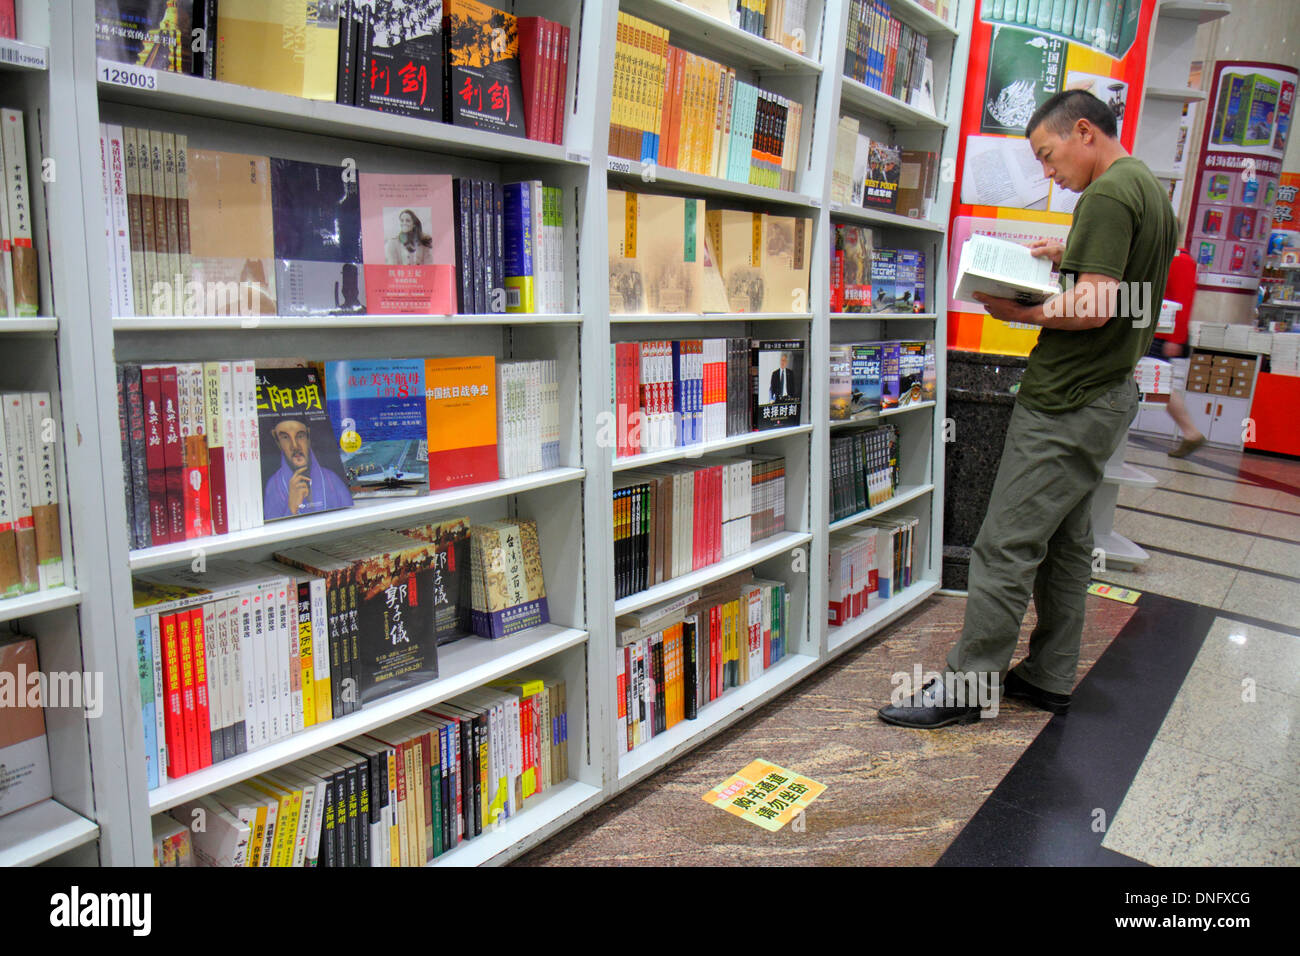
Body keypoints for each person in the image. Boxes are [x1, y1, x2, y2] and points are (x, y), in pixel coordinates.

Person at [878, 89, 1178, 728]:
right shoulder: (1148, 189)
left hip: (1067, 401)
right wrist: (1065, 259)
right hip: (1109, 394)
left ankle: (968, 688)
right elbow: (1128, 292)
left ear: (1085, 132)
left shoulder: (1105, 195)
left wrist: (1023, 313)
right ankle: (1047, 675)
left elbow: (1096, 305)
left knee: (1003, 546)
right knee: (1068, 545)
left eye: (1049, 155)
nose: (1048, 173)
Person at [1151, 243, 1205, 457]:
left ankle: (1191, 432)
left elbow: (1183, 300)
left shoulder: (1181, 260)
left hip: (1162, 333)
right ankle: (1191, 433)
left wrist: (1176, 338)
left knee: (1158, 384)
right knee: (1157, 384)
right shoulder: (1166, 256)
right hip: (1155, 329)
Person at [263, 417, 354, 520]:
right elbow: (273, 533)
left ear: (308, 436)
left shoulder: (332, 479)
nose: (295, 446)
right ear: (277, 441)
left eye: (300, 436)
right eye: (285, 437)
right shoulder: (274, 486)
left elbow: (351, 518)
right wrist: (292, 508)